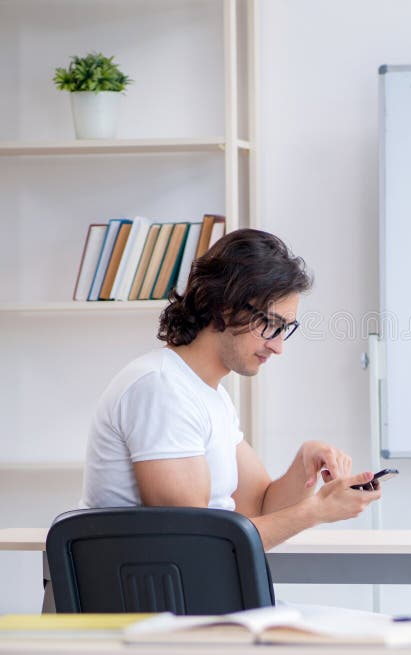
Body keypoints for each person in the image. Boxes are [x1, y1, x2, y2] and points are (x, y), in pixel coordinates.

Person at [80, 228, 380, 548]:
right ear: (224, 305)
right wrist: (316, 513)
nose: (278, 347)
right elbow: (196, 541)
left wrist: (306, 460)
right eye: (270, 324)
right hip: (150, 592)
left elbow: (261, 508)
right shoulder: (161, 389)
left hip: (190, 587)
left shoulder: (210, 396)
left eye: (285, 330)